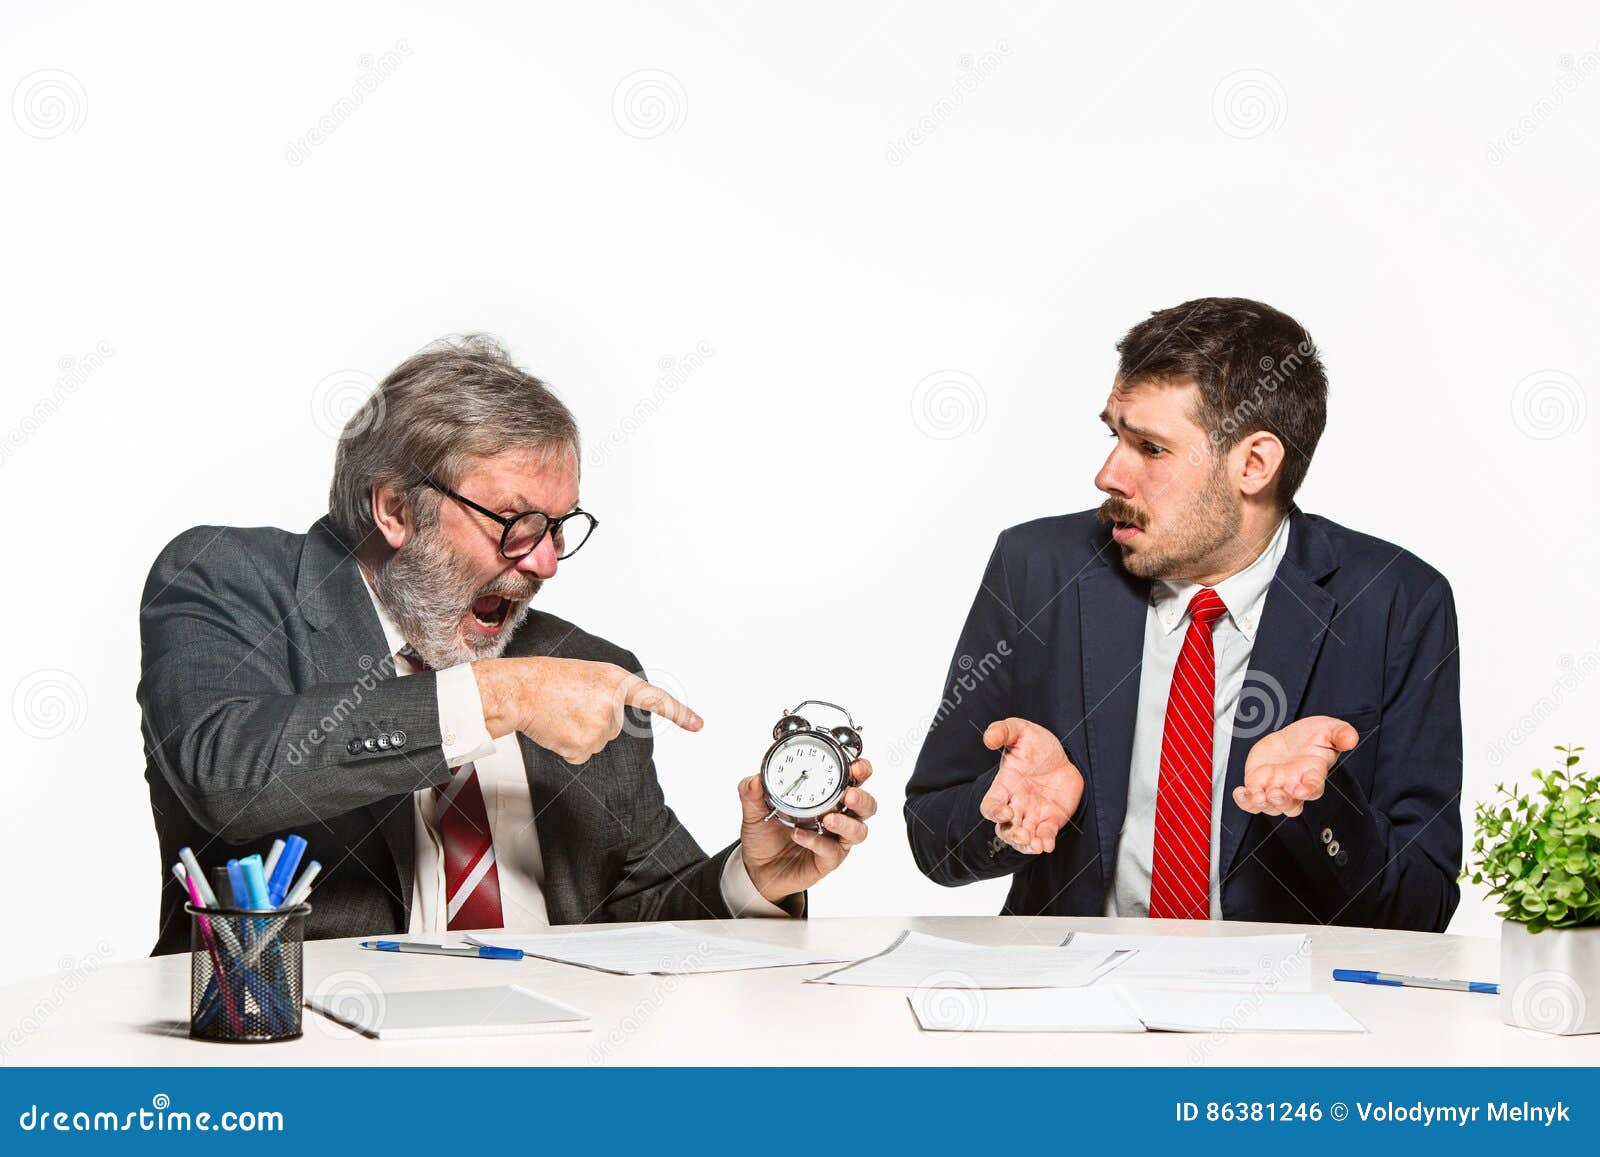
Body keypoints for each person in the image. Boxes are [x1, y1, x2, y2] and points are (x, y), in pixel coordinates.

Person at [140, 335, 876, 953]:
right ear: (395, 508)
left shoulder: (587, 666)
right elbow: (222, 770)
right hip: (324, 1056)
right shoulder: (232, 578)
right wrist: (500, 696)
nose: (546, 561)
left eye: (558, 527)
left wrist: (752, 879)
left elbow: (646, 912)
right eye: (516, 522)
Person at [904, 297, 1461, 931]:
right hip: (1070, 1001)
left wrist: (1324, 806)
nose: (1108, 474)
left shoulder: (1397, 603)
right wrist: (1001, 812)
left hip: (1284, 1009)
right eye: (1114, 435)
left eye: (1151, 448)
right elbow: (931, 837)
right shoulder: (1037, 570)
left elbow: (1424, 909)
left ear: (1254, 464)